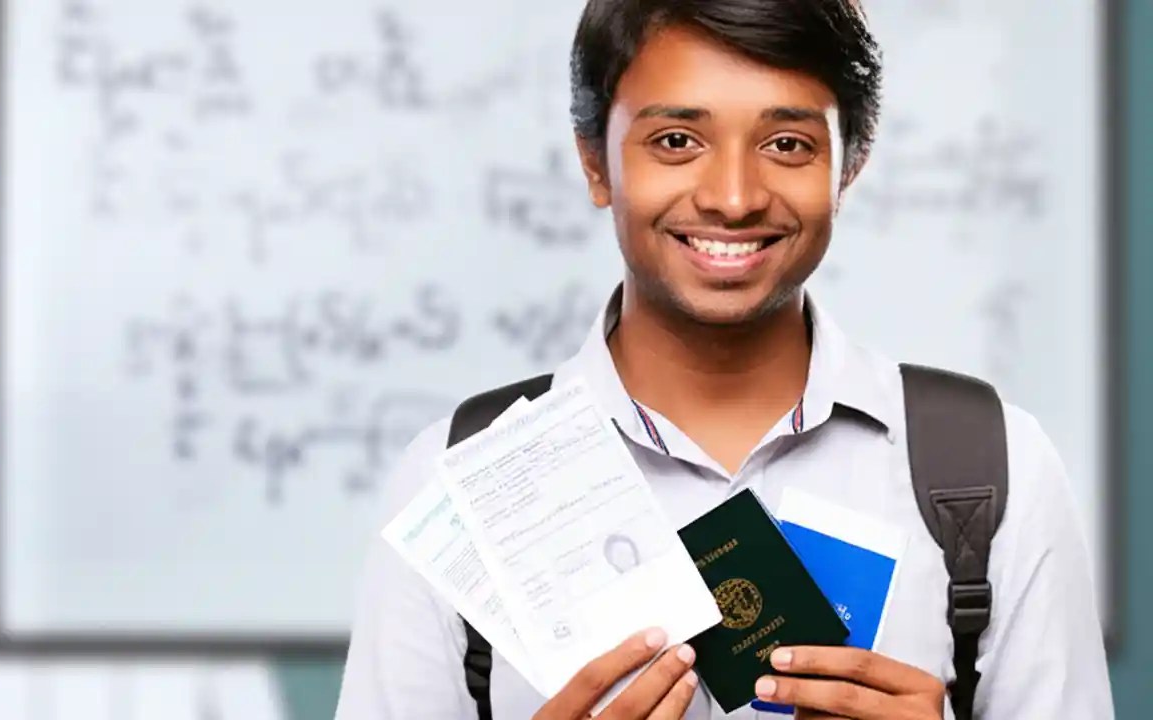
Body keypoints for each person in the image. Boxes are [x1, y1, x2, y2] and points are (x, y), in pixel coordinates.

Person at [335, 0, 1113, 717]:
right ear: (595, 162)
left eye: (787, 143)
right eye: (676, 140)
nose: (734, 197)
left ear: (850, 165)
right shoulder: (456, 483)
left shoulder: (989, 469)